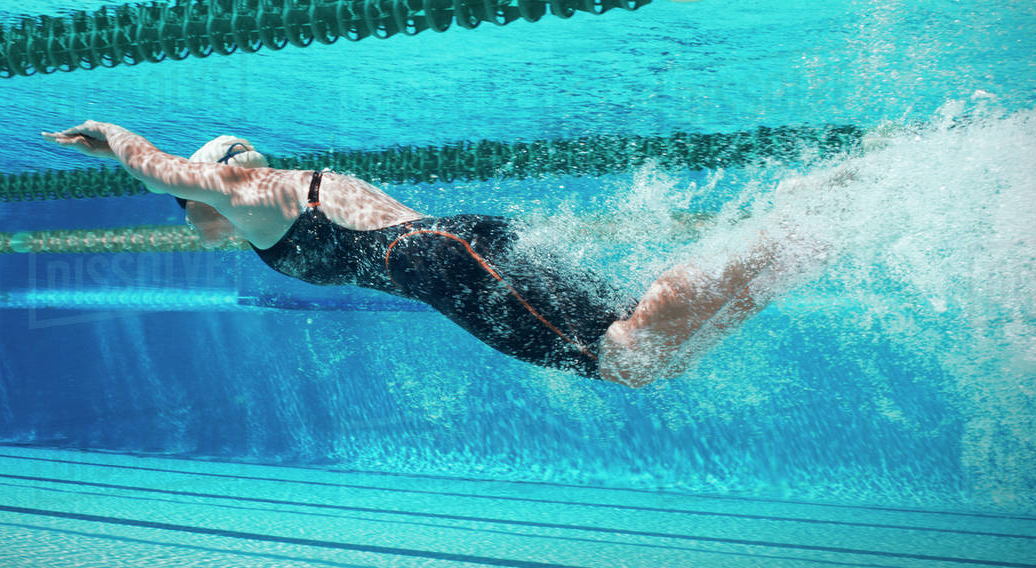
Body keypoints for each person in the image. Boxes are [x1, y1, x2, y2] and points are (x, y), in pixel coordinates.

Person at [42, 120, 815, 388]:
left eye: (191, 205)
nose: (189, 219)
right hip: (456, 247)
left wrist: (105, 134)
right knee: (648, 349)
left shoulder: (249, 193)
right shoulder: (296, 187)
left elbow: (154, 167)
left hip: (440, 262)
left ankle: (784, 228)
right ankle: (796, 243)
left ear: (214, 183)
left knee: (628, 355)